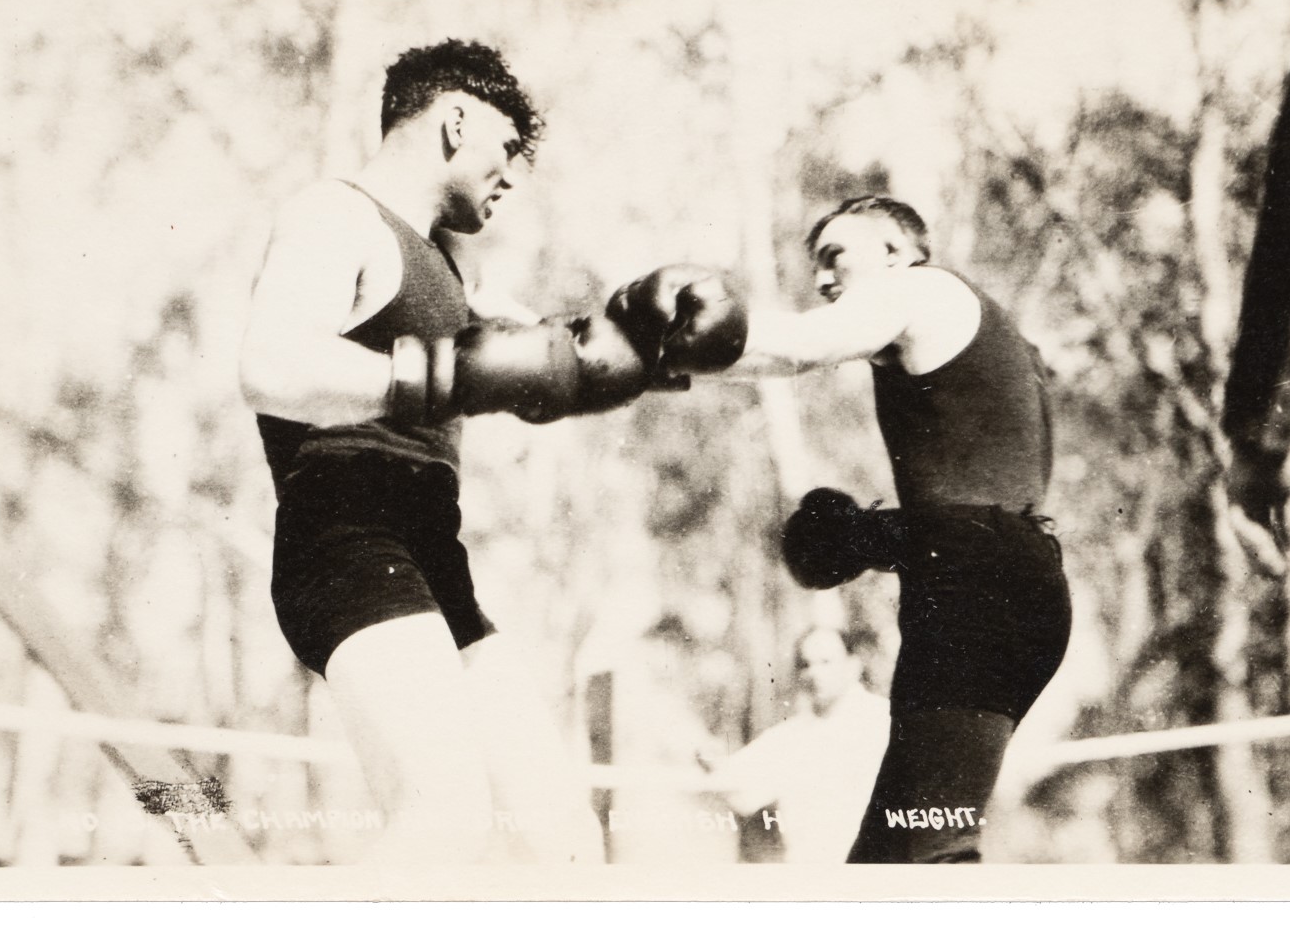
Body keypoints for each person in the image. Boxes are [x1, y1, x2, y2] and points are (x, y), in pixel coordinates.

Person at [240, 42, 744, 867]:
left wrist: (676, 346)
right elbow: (269, 366)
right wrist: (442, 375)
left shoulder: (450, 272)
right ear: (456, 119)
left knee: (564, 837)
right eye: (508, 150)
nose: (513, 176)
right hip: (348, 544)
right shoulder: (335, 215)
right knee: (443, 816)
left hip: (434, 563)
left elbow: (563, 361)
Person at [691, 194, 1071, 862]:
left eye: (835, 256)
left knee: (921, 855)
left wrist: (658, 339)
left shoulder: (922, 292)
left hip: (977, 591)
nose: (823, 280)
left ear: (896, 252)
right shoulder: (984, 333)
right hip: (1003, 586)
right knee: (905, 848)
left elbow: (802, 348)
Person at [708, 625, 891, 863]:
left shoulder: (885, 722)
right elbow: (739, 789)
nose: (814, 673)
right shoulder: (789, 737)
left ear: (853, 666)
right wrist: (711, 760)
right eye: (806, 664)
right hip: (809, 875)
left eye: (826, 662)